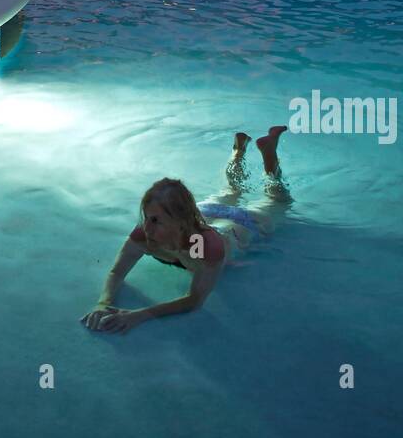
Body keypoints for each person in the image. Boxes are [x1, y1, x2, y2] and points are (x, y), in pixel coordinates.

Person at [81, 127, 291, 334]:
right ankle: (238, 150)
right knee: (234, 190)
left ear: (179, 222)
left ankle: (268, 152)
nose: (146, 227)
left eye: (155, 220)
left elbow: (195, 300)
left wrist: (139, 315)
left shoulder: (208, 246)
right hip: (205, 213)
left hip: (238, 225)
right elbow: (116, 272)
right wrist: (103, 303)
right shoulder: (146, 233)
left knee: (277, 199)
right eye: (147, 217)